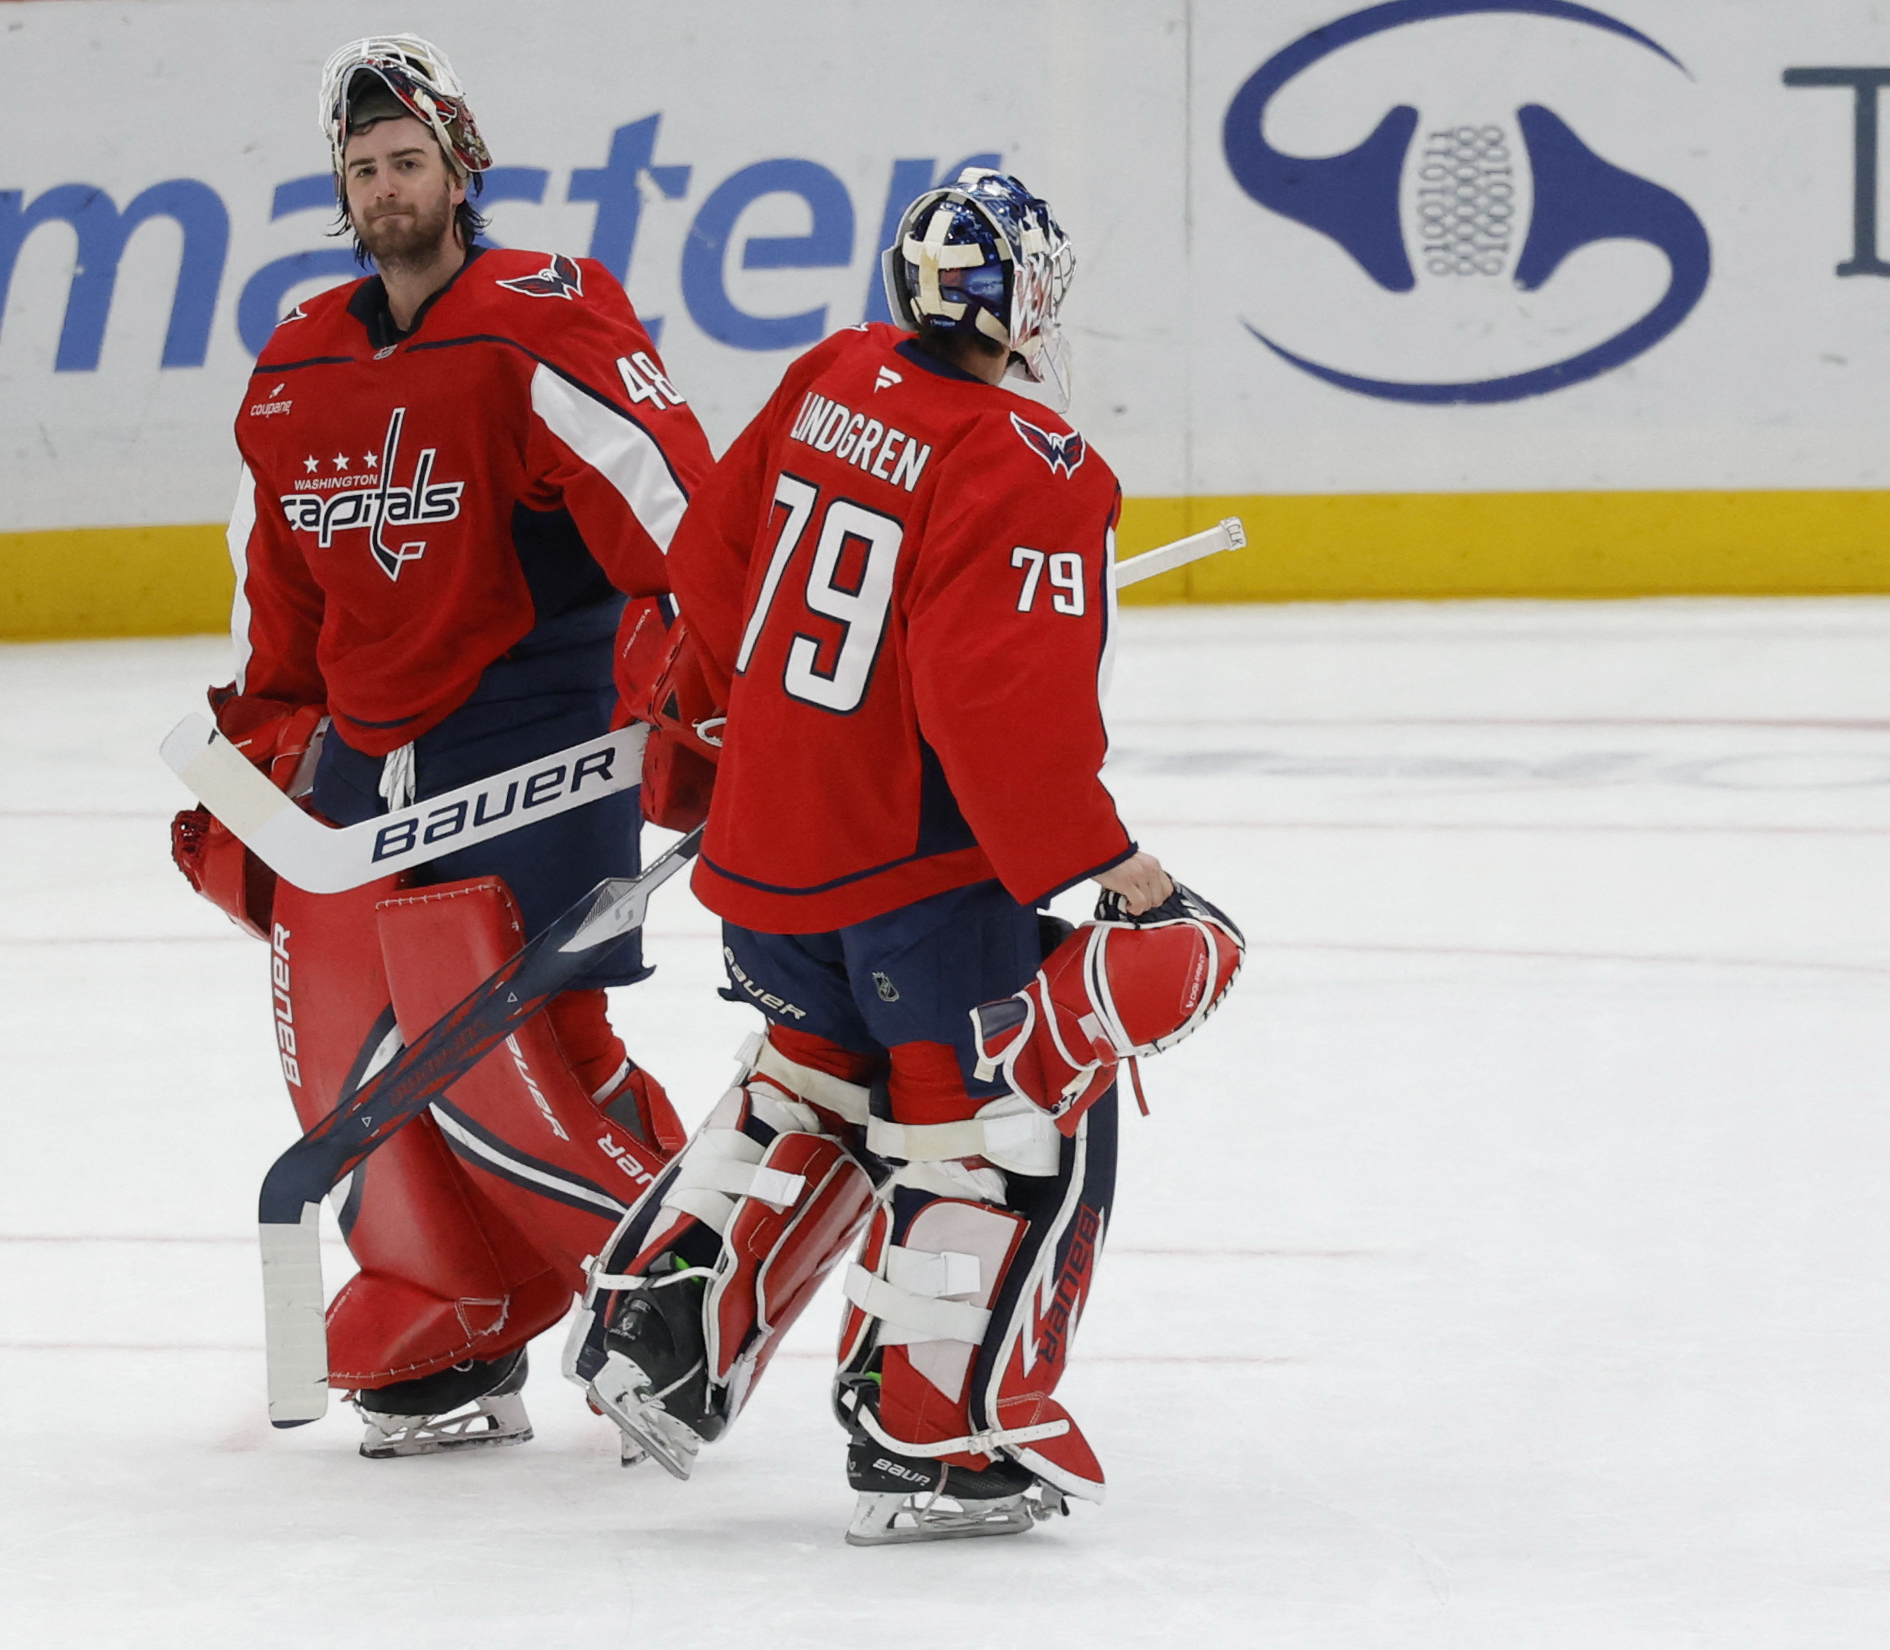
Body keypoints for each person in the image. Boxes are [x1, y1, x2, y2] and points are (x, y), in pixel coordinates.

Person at [564, 170, 1243, 1544]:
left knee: (808, 1091)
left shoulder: (829, 373)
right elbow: (990, 701)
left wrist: (707, 750)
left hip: (769, 865)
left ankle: (666, 1323)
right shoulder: (1034, 463)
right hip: (917, 887)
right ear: (1024, 296)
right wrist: (1104, 861)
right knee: (986, 1130)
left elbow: (711, 568)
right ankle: (934, 1430)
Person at [169, 35, 713, 1460]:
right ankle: (445, 1295)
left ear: (459, 174)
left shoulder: (541, 317)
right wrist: (265, 753)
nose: (383, 189)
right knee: (349, 1061)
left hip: (529, 742)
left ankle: (685, 1279)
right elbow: (276, 588)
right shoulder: (296, 363)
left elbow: (677, 516)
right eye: (361, 170)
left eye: (406, 161)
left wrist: (695, 671)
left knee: (532, 1040)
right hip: (363, 761)